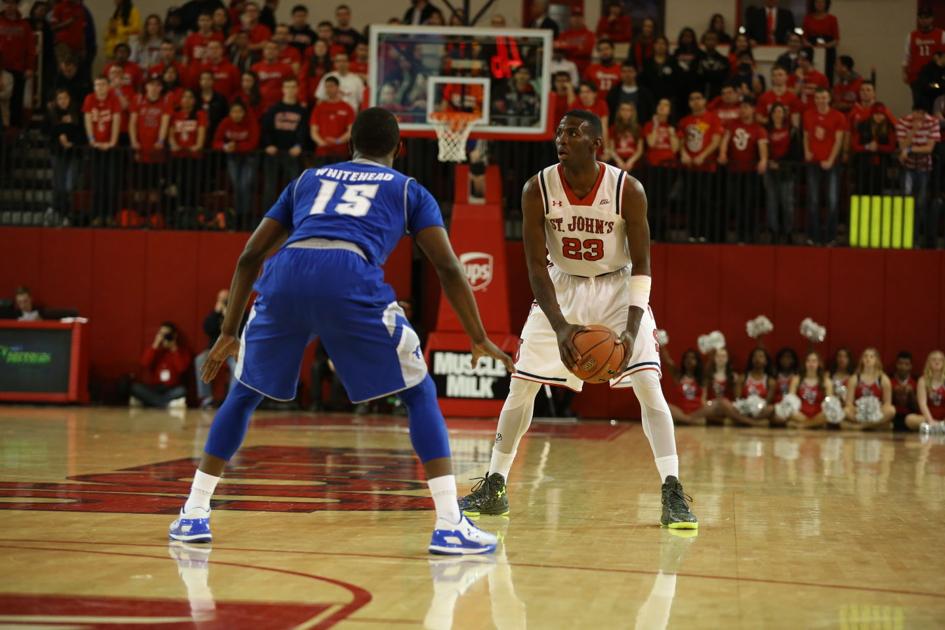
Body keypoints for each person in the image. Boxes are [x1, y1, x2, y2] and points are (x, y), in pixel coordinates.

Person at [169, 106, 510, 555]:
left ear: (349, 144)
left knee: (244, 393)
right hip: (349, 271)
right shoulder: (409, 189)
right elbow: (447, 266)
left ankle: (194, 513)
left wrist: (229, 330)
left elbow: (250, 256)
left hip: (287, 270)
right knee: (418, 393)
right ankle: (449, 522)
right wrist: (478, 335)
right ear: (399, 148)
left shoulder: (308, 179)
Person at [456, 109, 697, 530]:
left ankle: (672, 489)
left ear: (596, 144)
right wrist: (560, 324)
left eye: (572, 132)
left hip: (617, 287)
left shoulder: (628, 190)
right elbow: (534, 267)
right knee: (522, 385)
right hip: (561, 286)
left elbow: (642, 267)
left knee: (647, 384)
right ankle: (495, 485)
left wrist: (630, 328)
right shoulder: (538, 189)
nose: (561, 139)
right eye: (559, 132)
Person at [718, 97, 768, 242]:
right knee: (736, 202)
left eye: (746, 107)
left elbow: (762, 146)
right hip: (734, 171)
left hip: (750, 172)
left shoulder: (758, 128)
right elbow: (725, 141)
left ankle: (750, 235)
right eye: (742, 107)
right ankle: (740, 235)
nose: (743, 110)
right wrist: (722, 153)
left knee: (750, 203)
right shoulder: (732, 125)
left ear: (753, 109)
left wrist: (763, 160)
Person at [678, 91, 723, 242]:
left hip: (708, 168)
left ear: (704, 100)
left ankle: (705, 234)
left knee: (707, 201)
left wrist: (702, 156)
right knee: (691, 200)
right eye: (692, 99)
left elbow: (716, 140)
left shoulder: (713, 118)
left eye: (698, 98)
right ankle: (693, 233)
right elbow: (680, 140)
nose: (695, 101)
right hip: (690, 168)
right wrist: (684, 154)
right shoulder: (685, 121)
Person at [802, 88, 846, 245]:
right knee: (813, 199)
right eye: (818, 97)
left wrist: (831, 159)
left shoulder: (838, 116)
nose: (821, 100)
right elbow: (806, 135)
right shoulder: (808, 114)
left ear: (829, 99)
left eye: (824, 97)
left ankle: (831, 236)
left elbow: (838, 140)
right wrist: (807, 151)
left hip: (831, 163)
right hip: (813, 161)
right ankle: (813, 236)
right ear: (814, 99)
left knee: (832, 200)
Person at [896, 103, 941, 249]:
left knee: (920, 203)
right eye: (916, 112)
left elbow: (929, 148)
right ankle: (905, 237)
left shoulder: (933, 122)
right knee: (906, 202)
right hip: (907, 167)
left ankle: (916, 238)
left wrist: (909, 150)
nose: (919, 116)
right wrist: (913, 130)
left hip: (924, 168)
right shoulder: (903, 121)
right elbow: (901, 145)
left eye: (922, 113)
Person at [260, 77, 307, 211]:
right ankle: (267, 219)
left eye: (293, 87)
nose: (290, 90)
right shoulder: (274, 109)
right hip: (273, 153)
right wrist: (268, 145)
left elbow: (303, 131)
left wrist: (299, 145)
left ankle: (293, 217)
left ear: (297, 89)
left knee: (295, 186)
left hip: (293, 155)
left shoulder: (301, 111)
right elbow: (266, 129)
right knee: (270, 187)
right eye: (287, 87)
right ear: (283, 89)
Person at [213, 100, 259, 226]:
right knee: (237, 186)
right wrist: (224, 146)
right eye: (234, 112)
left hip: (249, 158)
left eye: (239, 112)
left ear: (244, 113)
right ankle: (239, 216)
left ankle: (247, 216)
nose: (236, 114)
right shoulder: (225, 123)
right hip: (232, 158)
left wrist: (237, 146)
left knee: (245, 185)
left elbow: (253, 142)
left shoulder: (250, 122)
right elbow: (216, 141)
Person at [83, 77, 121, 224]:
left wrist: (112, 141)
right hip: (95, 147)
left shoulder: (114, 99)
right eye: (97, 84)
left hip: (111, 148)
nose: (100, 87)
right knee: (97, 182)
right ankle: (97, 215)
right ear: (94, 86)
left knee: (111, 182)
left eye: (103, 84)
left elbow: (116, 120)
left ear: (108, 86)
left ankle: (110, 215)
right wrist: (92, 140)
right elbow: (87, 120)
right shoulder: (89, 99)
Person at [131, 322, 191, 409]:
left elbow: (182, 368)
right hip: (154, 388)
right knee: (135, 387)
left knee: (182, 391)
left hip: (171, 388)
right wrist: (155, 345)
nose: (164, 337)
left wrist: (174, 349)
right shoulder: (155, 350)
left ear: (174, 335)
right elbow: (144, 363)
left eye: (167, 334)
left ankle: (150, 402)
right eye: (161, 334)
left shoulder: (182, 351)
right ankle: (165, 403)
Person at [193, 290, 237, 409]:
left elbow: (241, 330)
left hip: (233, 350)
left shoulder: (240, 312)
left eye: (227, 300)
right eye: (222, 300)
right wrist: (217, 313)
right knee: (200, 360)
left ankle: (231, 399)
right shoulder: (214, 315)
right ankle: (206, 398)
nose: (225, 302)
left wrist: (230, 316)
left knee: (236, 365)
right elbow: (208, 329)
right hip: (215, 349)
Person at [47, 89, 85, 226]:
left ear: (70, 100)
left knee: (69, 185)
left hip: (74, 154)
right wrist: (60, 134)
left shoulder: (77, 114)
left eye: (65, 98)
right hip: (57, 153)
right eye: (60, 98)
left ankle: (64, 213)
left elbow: (83, 134)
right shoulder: (51, 114)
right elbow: (45, 132)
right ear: (56, 101)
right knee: (59, 185)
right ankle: (59, 212)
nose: (63, 101)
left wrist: (71, 141)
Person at [764, 103, 800, 243]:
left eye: (780, 111)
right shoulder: (766, 130)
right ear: (771, 114)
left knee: (787, 203)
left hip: (786, 170)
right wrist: (769, 162)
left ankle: (788, 231)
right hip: (770, 170)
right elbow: (762, 146)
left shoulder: (791, 130)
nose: (778, 114)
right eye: (775, 112)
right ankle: (774, 232)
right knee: (772, 201)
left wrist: (781, 163)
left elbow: (796, 151)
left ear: (785, 114)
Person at [0, 0, 36, 129]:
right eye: (7, 3)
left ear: (17, 5)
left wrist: (30, 67)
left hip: (18, 68)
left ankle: (13, 134)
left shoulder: (25, 25)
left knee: (16, 102)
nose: (9, 6)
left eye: (12, 3)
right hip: (1, 69)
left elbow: (30, 48)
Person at [843, 348, 895, 431]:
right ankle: (876, 426)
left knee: (891, 410)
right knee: (845, 411)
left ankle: (861, 427)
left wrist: (875, 411)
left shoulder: (883, 379)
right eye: (865, 356)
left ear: (876, 360)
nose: (868, 359)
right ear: (862, 360)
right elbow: (849, 403)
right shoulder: (854, 378)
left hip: (877, 412)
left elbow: (887, 403)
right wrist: (859, 410)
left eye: (871, 356)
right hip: (859, 412)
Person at [903, 6, 945, 107]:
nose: (924, 20)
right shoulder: (912, 36)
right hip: (917, 78)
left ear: (932, 18)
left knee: (937, 105)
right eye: (921, 17)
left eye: (927, 17)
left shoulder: (941, 34)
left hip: (936, 77)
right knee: (920, 106)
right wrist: (904, 72)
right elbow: (906, 56)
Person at [850, 103, 895, 194]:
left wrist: (878, 147)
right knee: (861, 189)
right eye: (876, 114)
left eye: (881, 114)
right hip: (863, 164)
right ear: (872, 114)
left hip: (881, 165)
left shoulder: (889, 127)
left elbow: (891, 147)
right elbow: (855, 145)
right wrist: (867, 147)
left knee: (878, 190)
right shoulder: (862, 126)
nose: (879, 117)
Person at [310, 75, 354, 165]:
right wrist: (321, 143)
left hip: (340, 153)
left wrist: (338, 141)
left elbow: (351, 131)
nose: (328, 89)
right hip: (322, 153)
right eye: (326, 86)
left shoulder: (347, 108)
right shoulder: (319, 107)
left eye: (331, 86)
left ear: (338, 87)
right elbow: (313, 130)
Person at [659, 346, 708, 425]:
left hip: (697, 412)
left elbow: (703, 400)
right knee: (664, 405)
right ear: (684, 360)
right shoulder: (678, 376)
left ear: (697, 361)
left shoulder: (702, 379)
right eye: (687, 358)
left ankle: (684, 420)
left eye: (692, 358)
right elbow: (668, 361)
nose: (689, 360)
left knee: (714, 405)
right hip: (681, 412)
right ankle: (690, 420)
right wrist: (662, 345)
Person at [786, 351, 832, 429]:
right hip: (800, 414)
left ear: (818, 363)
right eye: (808, 361)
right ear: (804, 363)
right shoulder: (796, 379)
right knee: (788, 410)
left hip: (819, 414)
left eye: (814, 361)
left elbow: (829, 403)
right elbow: (790, 401)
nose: (811, 364)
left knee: (829, 412)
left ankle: (804, 425)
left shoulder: (826, 381)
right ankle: (815, 425)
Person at [905, 350, 945, 431]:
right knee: (909, 419)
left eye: (940, 360)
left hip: (943, 417)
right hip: (926, 417)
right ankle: (934, 428)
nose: (937, 362)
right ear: (929, 363)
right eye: (934, 359)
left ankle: (936, 428)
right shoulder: (922, 380)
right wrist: (931, 421)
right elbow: (922, 404)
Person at [802, 0, 839, 83]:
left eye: (822, 2)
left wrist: (824, 46)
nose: (819, 4)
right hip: (811, 50)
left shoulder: (832, 19)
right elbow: (804, 38)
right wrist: (811, 46)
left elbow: (836, 40)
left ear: (826, 4)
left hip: (828, 52)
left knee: (828, 74)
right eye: (817, 2)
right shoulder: (808, 18)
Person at [741, 347, 776, 425]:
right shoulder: (743, 378)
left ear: (766, 361)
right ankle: (752, 422)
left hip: (760, 411)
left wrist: (756, 408)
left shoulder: (770, 381)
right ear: (751, 360)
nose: (757, 359)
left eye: (761, 356)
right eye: (755, 356)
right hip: (744, 409)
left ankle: (743, 421)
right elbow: (738, 399)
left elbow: (767, 402)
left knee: (771, 408)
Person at [609, 102, 644, 173]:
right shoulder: (613, 128)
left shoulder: (638, 128)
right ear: (619, 112)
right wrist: (620, 162)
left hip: (633, 161)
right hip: (617, 161)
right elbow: (611, 149)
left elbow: (640, 150)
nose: (625, 112)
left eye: (628, 110)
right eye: (623, 109)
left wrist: (630, 162)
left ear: (632, 112)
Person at [696, 31, 730, 101]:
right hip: (700, 93)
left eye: (713, 39)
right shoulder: (697, 58)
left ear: (717, 42)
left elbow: (724, 78)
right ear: (704, 41)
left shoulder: (723, 60)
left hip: (717, 94)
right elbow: (695, 76)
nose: (711, 42)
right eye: (708, 39)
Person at [890, 351, 918, 431]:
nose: (903, 367)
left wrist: (911, 394)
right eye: (900, 364)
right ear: (896, 365)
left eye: (906, 364)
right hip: (894, 417)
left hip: (910, 417)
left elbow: (918, 408)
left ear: (911, 366)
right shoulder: (889, 381)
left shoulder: (916, 382)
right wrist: (893, 392)